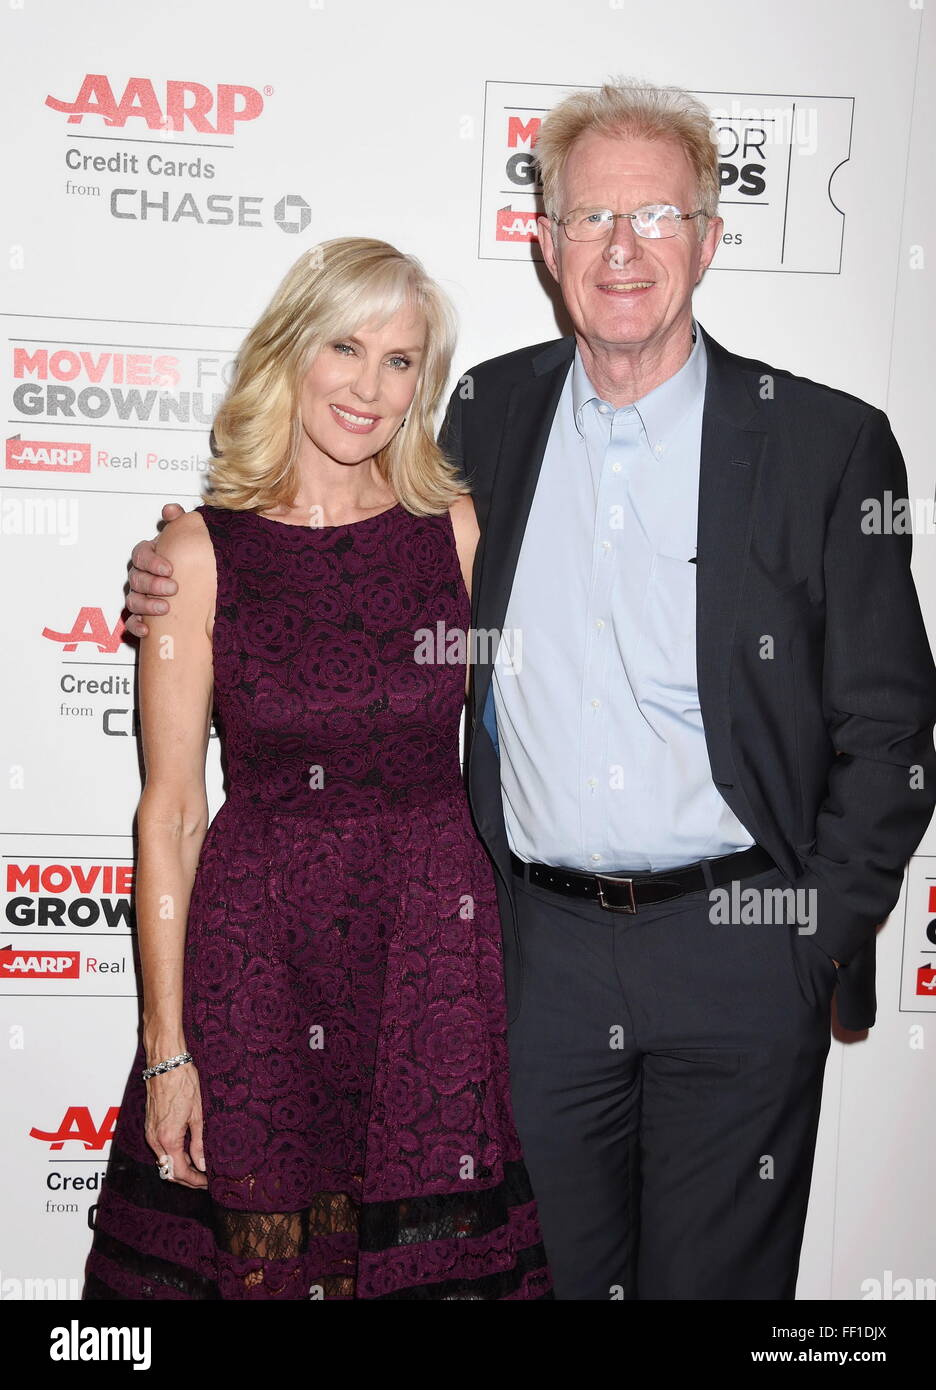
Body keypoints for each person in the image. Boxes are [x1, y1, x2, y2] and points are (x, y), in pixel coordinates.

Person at [125, 81, 936, 1301]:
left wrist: (807, 941)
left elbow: (890, 723)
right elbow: (314, 547)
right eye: (589, 217)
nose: (622, 249)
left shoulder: (825, 444)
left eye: (657, 216)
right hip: (529, 959)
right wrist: (178, 564)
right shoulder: (489, 420)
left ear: (711, 239)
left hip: (739, 946)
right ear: (544, 243)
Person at [83, 237, 552, 1301]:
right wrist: (167, 1047)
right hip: (257, 953)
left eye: (401, 361)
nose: (369, 384)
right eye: (346, 345)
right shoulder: (196, 558)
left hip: (429, 955)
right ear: (291, 352)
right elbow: (168, 817)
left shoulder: (458, 535)